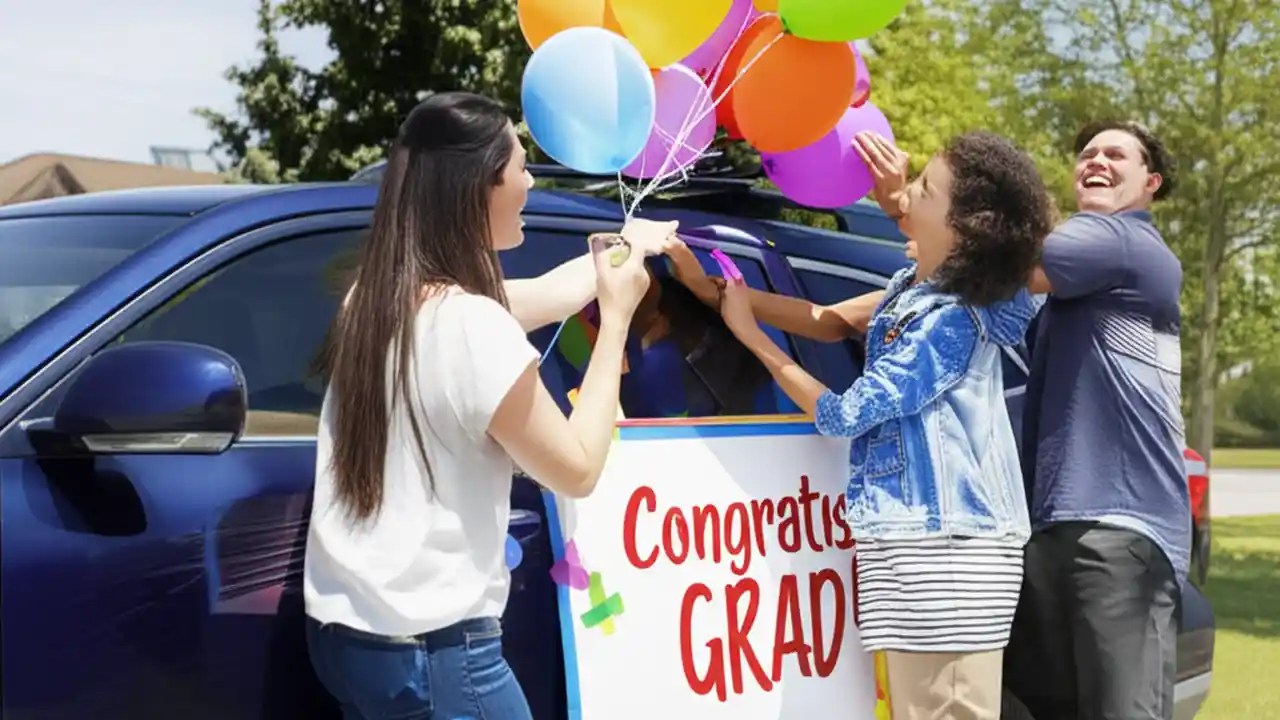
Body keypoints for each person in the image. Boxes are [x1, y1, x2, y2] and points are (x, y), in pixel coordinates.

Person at [302, 91, 675, 720]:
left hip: (350, 642)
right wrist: (615, 321)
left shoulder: (371, 300)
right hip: (436, 656)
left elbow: (545, 294)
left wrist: (628, 245)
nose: (530, 183)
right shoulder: (474, 326)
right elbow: (577, 469)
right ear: (482, 185)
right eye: (521, 167)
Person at [690, 131, 1055, 720]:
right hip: (917, 553)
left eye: (925, 188)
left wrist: (752, 336)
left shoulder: (950, 321)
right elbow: (833, 318)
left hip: (949, 558)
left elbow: (843, 414)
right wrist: (715, 293)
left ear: (968, 228)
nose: (905, 190)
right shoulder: (912, 290)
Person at [1002, 120, 1186, 720]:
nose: (1096, 161)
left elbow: (1004, 265)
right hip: (1051, 527)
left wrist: (911, 208)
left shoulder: (1122, 239)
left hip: (1119, 528)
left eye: (1115, 154)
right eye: (1087, 154)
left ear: (1151, 183)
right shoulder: (1067, 295)